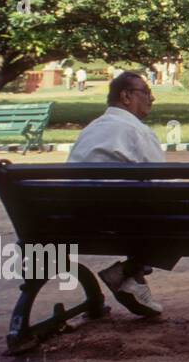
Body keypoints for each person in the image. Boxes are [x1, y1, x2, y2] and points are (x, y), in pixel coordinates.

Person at [67, 70, 168, 317]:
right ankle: (127, 272)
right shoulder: (137, 131)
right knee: (175, 216)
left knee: (139, 205)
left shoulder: (90, 130)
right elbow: (162, 181)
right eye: (145, 92)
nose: (152, 98)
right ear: (125, 96)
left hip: (73, 222)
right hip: (124, 223)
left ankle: (135, 281)